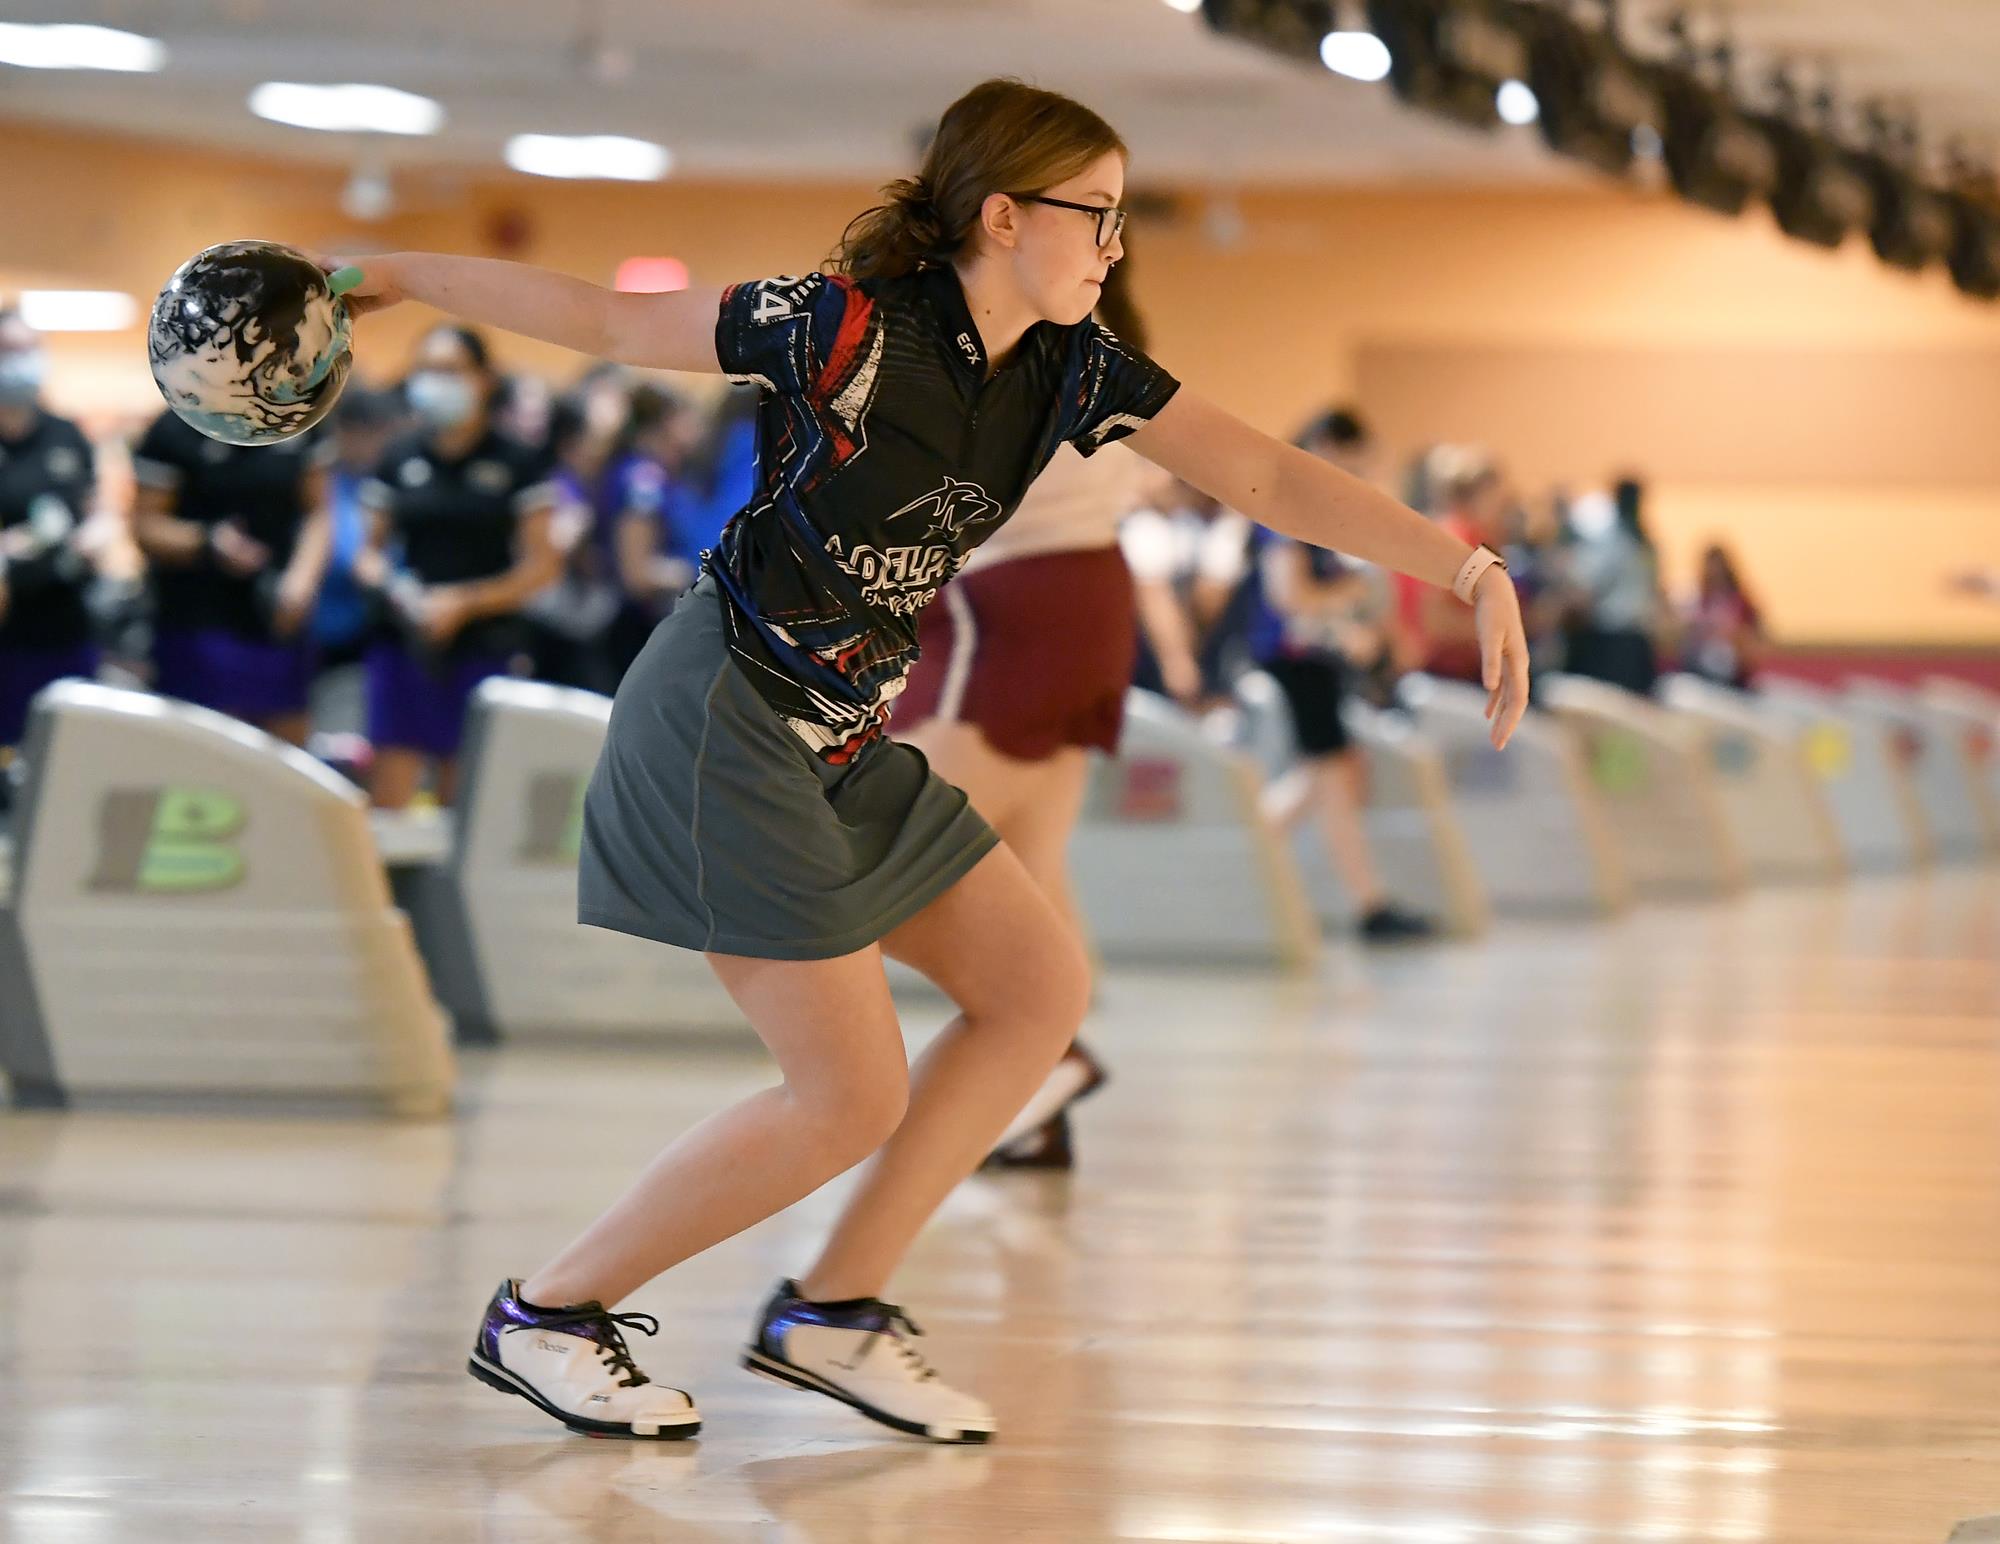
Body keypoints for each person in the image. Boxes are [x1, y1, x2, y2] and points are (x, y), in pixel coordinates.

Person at [320, 76, 1527, 1448]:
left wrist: (1468, 568)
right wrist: (400, 273)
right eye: (1096, 215)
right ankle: (549, 1310)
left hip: (841, 730)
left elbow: (1267, 476)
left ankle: (832, 1311)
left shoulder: (1072, 369)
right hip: (724, 709)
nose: (1115, 245)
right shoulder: (841, 328)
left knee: (1036, 987)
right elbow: (605, 320)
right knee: (848, 1094)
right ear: (1003, 217)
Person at [893, 260, 1156, 1170]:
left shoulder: (1007, 338)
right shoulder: (1104, 344)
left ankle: (1042, 1052)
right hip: (1088, 595)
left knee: (875, 842)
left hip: (1010, 600)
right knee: (1031, 857)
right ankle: (1041, 1097)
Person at [1245, 409, 1435, 941]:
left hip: (1315, 661)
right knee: (1331, 776)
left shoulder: (1312, 510)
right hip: (1294, 661)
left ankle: (1245, 862)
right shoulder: (1284, 506)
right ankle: (1369, 904)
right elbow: (1290, 596)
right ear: (1326, 445)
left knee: (1329, 775)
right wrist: (1349, 596)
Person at [356, 324, 561, 808]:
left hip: (484, 646)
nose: (437, 382)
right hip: (405, 638)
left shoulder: (518, 462)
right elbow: (369, 554)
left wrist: (464, 602)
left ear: (484, 379)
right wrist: (397, 590)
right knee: (389, 800)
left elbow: (542, 568)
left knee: (468, 797)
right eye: (427, 370)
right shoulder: (398, 456)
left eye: (451, 371)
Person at [132, 381, 332, 748]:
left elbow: (317, 511)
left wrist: (302, 579)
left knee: (285, 758)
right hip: (198, 621)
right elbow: (145, 526)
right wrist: (208, 541)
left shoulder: (298, 413)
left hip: (277, 617)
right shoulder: (175, 426)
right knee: (202, 755)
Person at [0, 310, 100, 763]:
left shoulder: (66, 433)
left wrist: (98, 533)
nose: (21, 362)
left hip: (64, 626)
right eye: (9, 351)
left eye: (29, 350)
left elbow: (95, 510)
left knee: (64, 758)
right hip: (8, 630)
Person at [1562, 475, 1666, 696]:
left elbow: (1589, 584)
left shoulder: (1615, 541)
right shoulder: (1647, 544)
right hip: (1637, 638)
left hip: (1612, 639)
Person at [1682, 541, 1765, 690]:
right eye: (1710, 566)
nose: (1714, 571)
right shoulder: (1700, 600)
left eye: (1717, 566)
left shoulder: (1741, 602)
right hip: (1702, 666)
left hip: (1733, 670)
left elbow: (1752, 637)